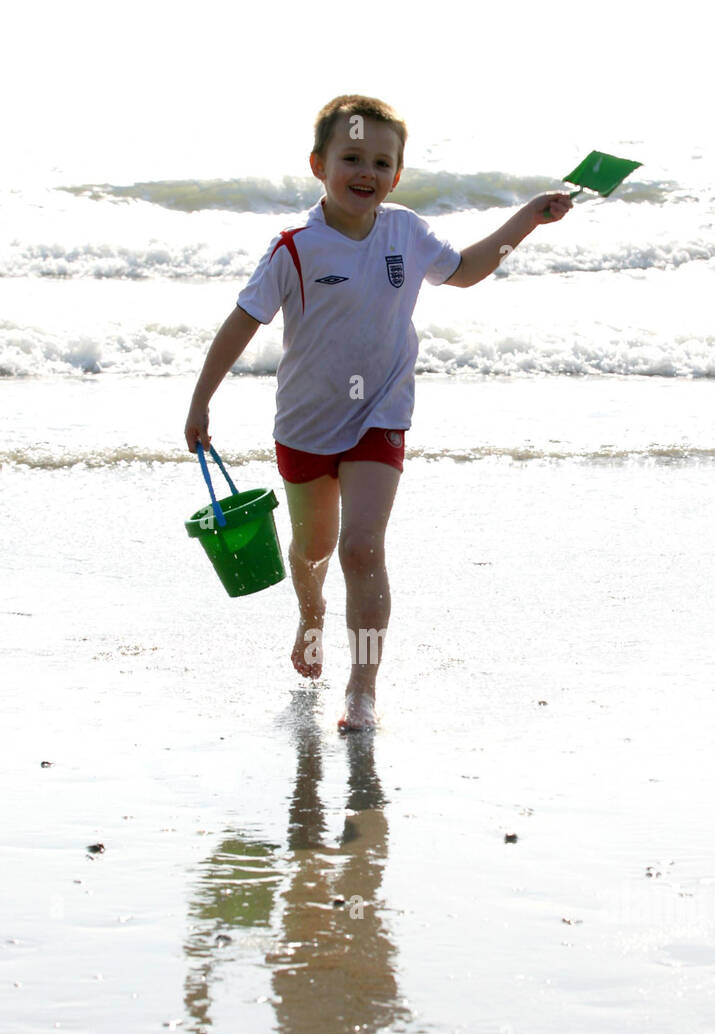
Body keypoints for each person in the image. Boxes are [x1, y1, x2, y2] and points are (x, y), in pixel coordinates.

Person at [184, 94, 572, 731]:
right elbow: (242, 322)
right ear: (319, 165)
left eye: (381, 161)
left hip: (381, 414)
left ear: (396, 175)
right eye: (352, 156)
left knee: (361, 549)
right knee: (312, 550)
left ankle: (361, 687)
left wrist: (526, 221)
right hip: (306, 423)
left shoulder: (406, 232)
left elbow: (467, 271)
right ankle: (311, 617)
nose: (366, 171)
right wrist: (202, 399)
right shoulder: (294, 249)